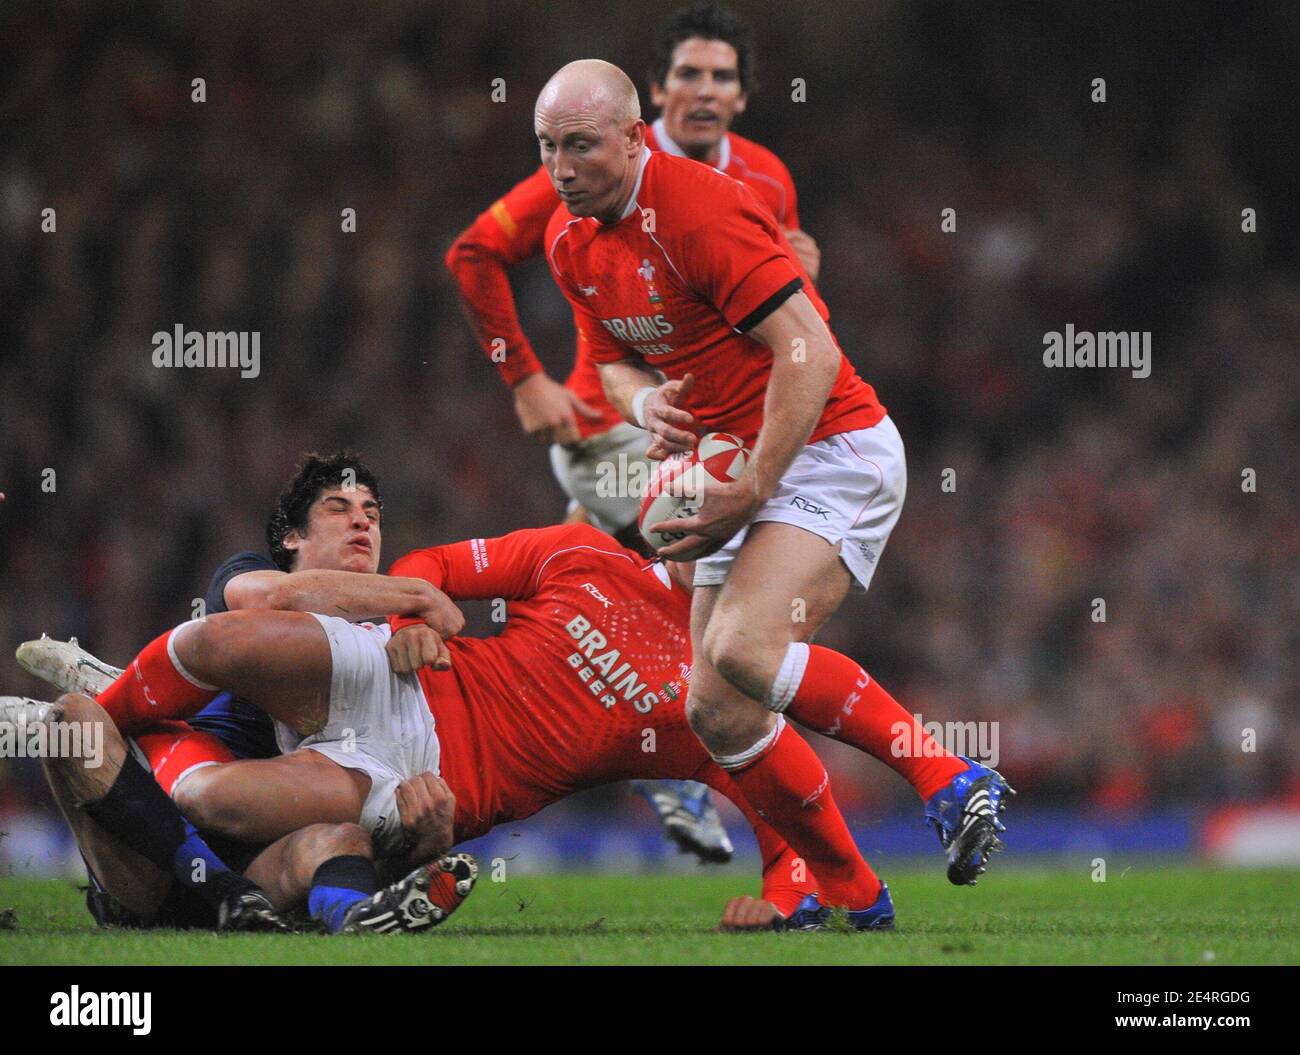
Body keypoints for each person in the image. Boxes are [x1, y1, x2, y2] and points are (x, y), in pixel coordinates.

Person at [537, 59, 1013, 910]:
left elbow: (813, 353)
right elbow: (607, 362)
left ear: (634, 136)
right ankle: (855, 892)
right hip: (732, 462)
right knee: (715, 713)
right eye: (546, 148)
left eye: (580, 145)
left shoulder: (695, 210)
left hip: (831, 447)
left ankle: (950, 775)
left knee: (741, 650)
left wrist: (753, 486)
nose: (562, 168)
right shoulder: (567, 240)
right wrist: (647, 402)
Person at [445, 3, 816, 861]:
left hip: (714, 425)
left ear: (743, 96)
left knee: (594, 613)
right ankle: (715, 789)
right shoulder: (585, 163)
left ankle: (623, 754)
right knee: (706, 591)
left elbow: (779, 318)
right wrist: (523, 375)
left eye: (722, 76)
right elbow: (473, 253)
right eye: (688, 73)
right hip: (614, 428)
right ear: (654, 96)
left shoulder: (765, 180)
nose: (705, 90)